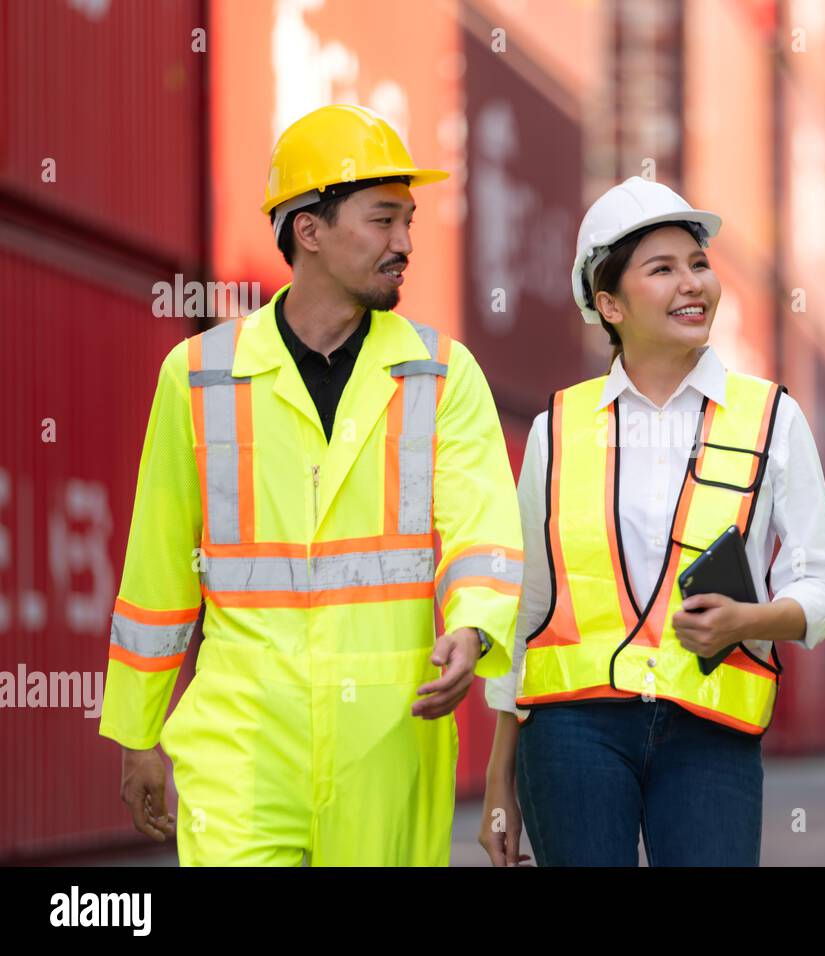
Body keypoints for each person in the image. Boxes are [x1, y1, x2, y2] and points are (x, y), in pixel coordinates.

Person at [99, 104, 524, 866]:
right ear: (310, 230)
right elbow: (158, 570)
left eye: (410, 221)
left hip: (389, 741)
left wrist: (474, 626)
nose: (405, 244)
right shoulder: (199, 375)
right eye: (383, 219)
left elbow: (482, 526)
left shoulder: (440, 373)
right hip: (242, 747)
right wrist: (137, 733)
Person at [476, 176, 825, 866]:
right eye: (663, 269)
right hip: (570, 732)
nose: (693, 284)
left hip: (711, 732)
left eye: (699, 264)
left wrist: (752, 620)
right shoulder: (555, 429)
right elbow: (525, 610)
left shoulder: (772, 416)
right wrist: (499, 780)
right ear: (609, 303)